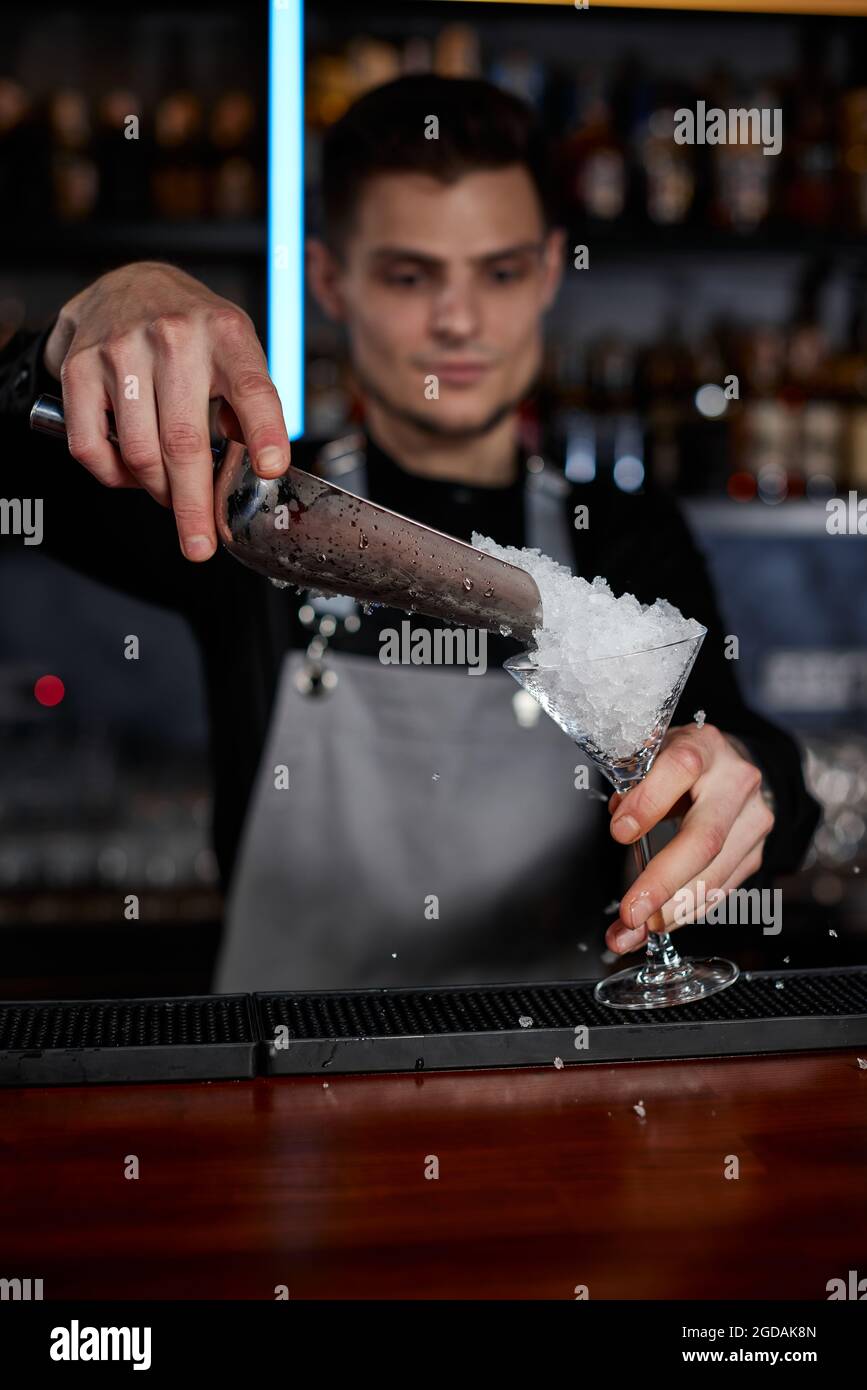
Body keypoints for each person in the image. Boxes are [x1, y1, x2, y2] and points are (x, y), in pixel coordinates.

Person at [0, 76, 819, 992]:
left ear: (550, 273)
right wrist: (86, 317)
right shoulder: (246, 500)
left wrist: (747, 779)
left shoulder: (621, 535)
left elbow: (747, 750)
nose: (458, 320)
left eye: (500, 272)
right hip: (287, 1091)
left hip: (552, 1081)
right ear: (329, 282)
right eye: (407, 274)